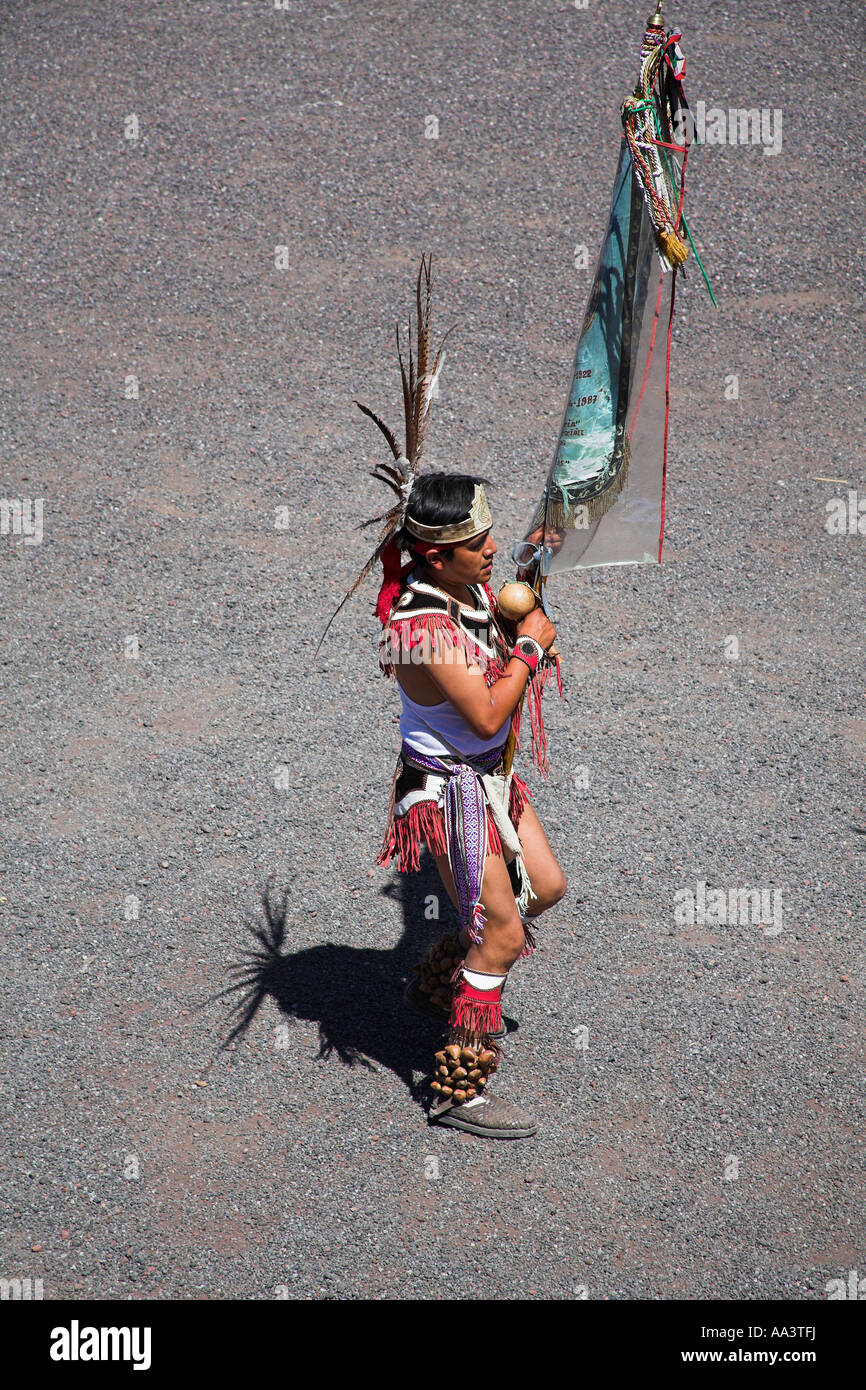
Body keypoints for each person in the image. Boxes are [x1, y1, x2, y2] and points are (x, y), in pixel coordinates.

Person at [325, 255, 565, 1140]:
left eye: (494, 538)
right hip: (456, 787)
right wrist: (533, 649)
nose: (492, 552)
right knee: (502, 935)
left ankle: (439, 976)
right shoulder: (421, 632)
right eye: (480, 545)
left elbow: (501, 603)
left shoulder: (459, 589)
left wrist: (528, 579)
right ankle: (457, 1087)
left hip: (485, 777)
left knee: (544, 886)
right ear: (436, 555)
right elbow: (489, 713)